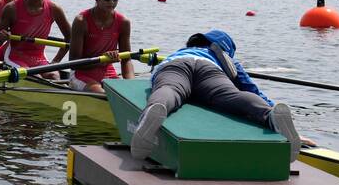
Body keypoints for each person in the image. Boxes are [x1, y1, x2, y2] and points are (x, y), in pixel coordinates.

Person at [129, 29, 308, 162]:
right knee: (233, 95)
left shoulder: (181, 52)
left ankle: (153, 111)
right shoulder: (224, 57)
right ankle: (270, 116)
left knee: (170, 90)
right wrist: (270, 105)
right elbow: (250, 88)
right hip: (210, 69)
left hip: (175, 66)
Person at [0, 0, 70, 78]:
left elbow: (70, 38)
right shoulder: (11, 8)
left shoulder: (54, 9)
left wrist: (55, 62)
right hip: (15, 57)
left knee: (55, 76)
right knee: (36, 77)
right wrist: (1, 38)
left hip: (39, 58)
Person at [69, 0, 134, 92]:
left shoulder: (124, 22)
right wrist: (102, 60)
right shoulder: (81, 21)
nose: (112, 1)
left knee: (126, 93)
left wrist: (131, 85)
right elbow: (73, 63)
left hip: (108, 73)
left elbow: (126, 59)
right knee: (102, 93)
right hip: (81, 74)